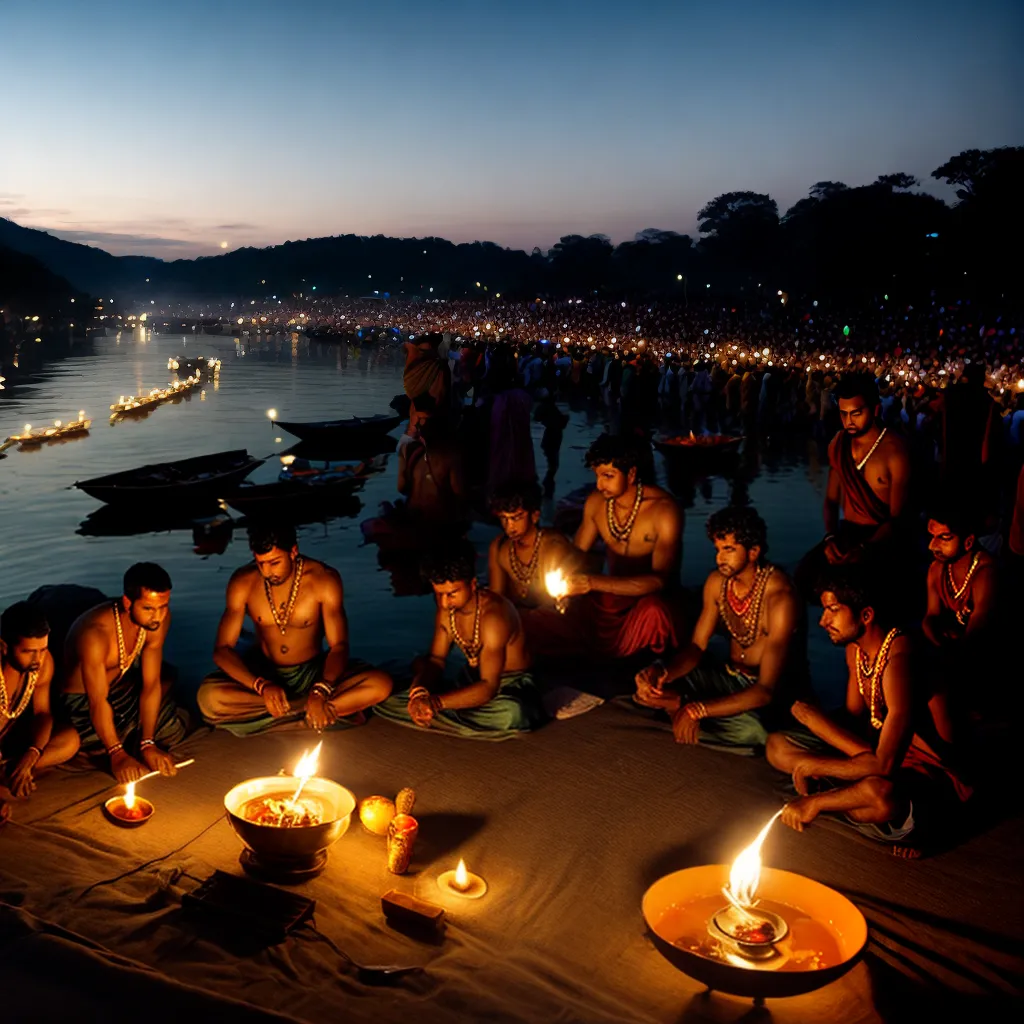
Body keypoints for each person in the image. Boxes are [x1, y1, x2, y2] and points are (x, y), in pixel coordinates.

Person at [766, 568, 972, 857]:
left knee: (878, 795)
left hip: (933, 781)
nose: (823, 621)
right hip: (878, 754)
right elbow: (854, 718)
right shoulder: (857, 650)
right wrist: (814, 724)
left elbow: (886, 765)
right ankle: (845, 800)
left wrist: (818, 766)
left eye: (833, 610)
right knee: (778, 745)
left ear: (866, 615)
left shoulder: (900, 661)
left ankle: (824, 803)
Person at [198, 522, 392, 735]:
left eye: (274, 562)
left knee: (380, 683)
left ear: (293, 551)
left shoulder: (323, 579)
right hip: (265, 674)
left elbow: (339, 646)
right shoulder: (243, 582)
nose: (267, 572)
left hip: (313, 673)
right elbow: (223, 649)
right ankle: (312, 713)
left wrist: (321, 689)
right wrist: (261, 686)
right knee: (209, 698)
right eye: (260, 563)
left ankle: (296, 711)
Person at [634, 507, 801, 751]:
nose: (719, 558)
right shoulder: (717, 583)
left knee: (756, 731)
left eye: (729, 550)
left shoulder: (780, 597)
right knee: (649, 684)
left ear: (753, 552)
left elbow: (765, 691)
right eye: (718, 549)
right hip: (727, 676)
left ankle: (684, 710)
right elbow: (697, 647)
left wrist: (697, 709)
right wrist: (662, 674)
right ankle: (685, 708)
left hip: (765, 694)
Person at [374, 542, 547, 739]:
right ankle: (449, 714)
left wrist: (436, 703)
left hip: (509, 686)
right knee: (390, 699)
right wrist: (420, 693)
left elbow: (489, 686)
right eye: (439, 594)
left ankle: (444, 714)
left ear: (472, 584)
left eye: (452, 593)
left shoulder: (494, 616)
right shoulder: (446, 612)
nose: (445, 602)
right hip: (470, 681)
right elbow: (436, 660)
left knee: (513, 713)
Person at [61, 563, 186, 783]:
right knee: (98, 748)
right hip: (81, 702)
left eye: (163, 606)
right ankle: (116, 747)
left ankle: (136, 741)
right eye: (148, 608)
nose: (157, 616)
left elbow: (151, 684)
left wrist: (148, 742)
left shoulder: (158, 622)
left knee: (170, 728)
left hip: (120, 690)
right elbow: (97, 702)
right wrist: (116, 753)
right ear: (128, 603)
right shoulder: (95, 634)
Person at [564, 434, 681, 658]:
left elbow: (658, 581)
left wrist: (591, 582)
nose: (600, 485)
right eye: (597, 476)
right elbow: (575, 554)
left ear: (632, 474)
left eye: (608, 476)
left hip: (647, 603)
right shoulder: (596, 503)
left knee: (655, 612)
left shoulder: (664, 510)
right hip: (608, 601)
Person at [797, 373, 910, 591]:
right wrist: (830, 538)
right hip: (845, 533)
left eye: (856, 413)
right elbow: (831, 500)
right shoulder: (839, 443)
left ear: (875, 410)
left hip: (881, 540)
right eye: (843, 414)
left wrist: (865, 549)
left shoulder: (896, 452)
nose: (849, 421)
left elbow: (898, 519)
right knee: (804, 577)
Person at [921, 502, 997, 745]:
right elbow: (930, 616)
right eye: (932, 537)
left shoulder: (985, 571)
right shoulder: (936, 569)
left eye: (944, 538)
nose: (933, 545)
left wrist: (952, 655)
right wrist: (938, 642)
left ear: (967, 541)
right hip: (950, 648)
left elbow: (980, 625)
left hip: (985, 655)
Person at [1, 603, 79, 824]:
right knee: (11, 797)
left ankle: (15, 772)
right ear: (4, 647)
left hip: (9, 741)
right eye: (28, 651)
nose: (37, 659)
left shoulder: (43, 664)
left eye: (42, 649)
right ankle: (10, 778)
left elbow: (42, 714)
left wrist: (31, 754)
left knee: (69, 740)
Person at [396, 394, 465, 526]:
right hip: (438, 520)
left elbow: (401, 487)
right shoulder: (451, 453)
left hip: (413, 517)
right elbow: (460, 494)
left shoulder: (406, 447)